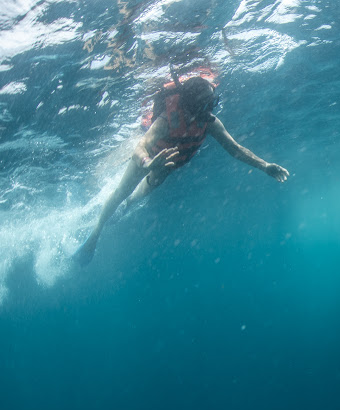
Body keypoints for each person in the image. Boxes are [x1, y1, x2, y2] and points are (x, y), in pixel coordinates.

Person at [74, 71, 289, 265]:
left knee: (141, 191)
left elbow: (235, 149)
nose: (210, 112)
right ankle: (95, 233)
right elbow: (140, 146)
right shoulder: (166, 120)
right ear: (191, 107)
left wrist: (264, 165)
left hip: (164, 166)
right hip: (149, 158)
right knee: (122, 191)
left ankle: (127, 205)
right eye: (206, 107)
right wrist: (149, 162)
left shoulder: (209, 121)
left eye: (211, 105)